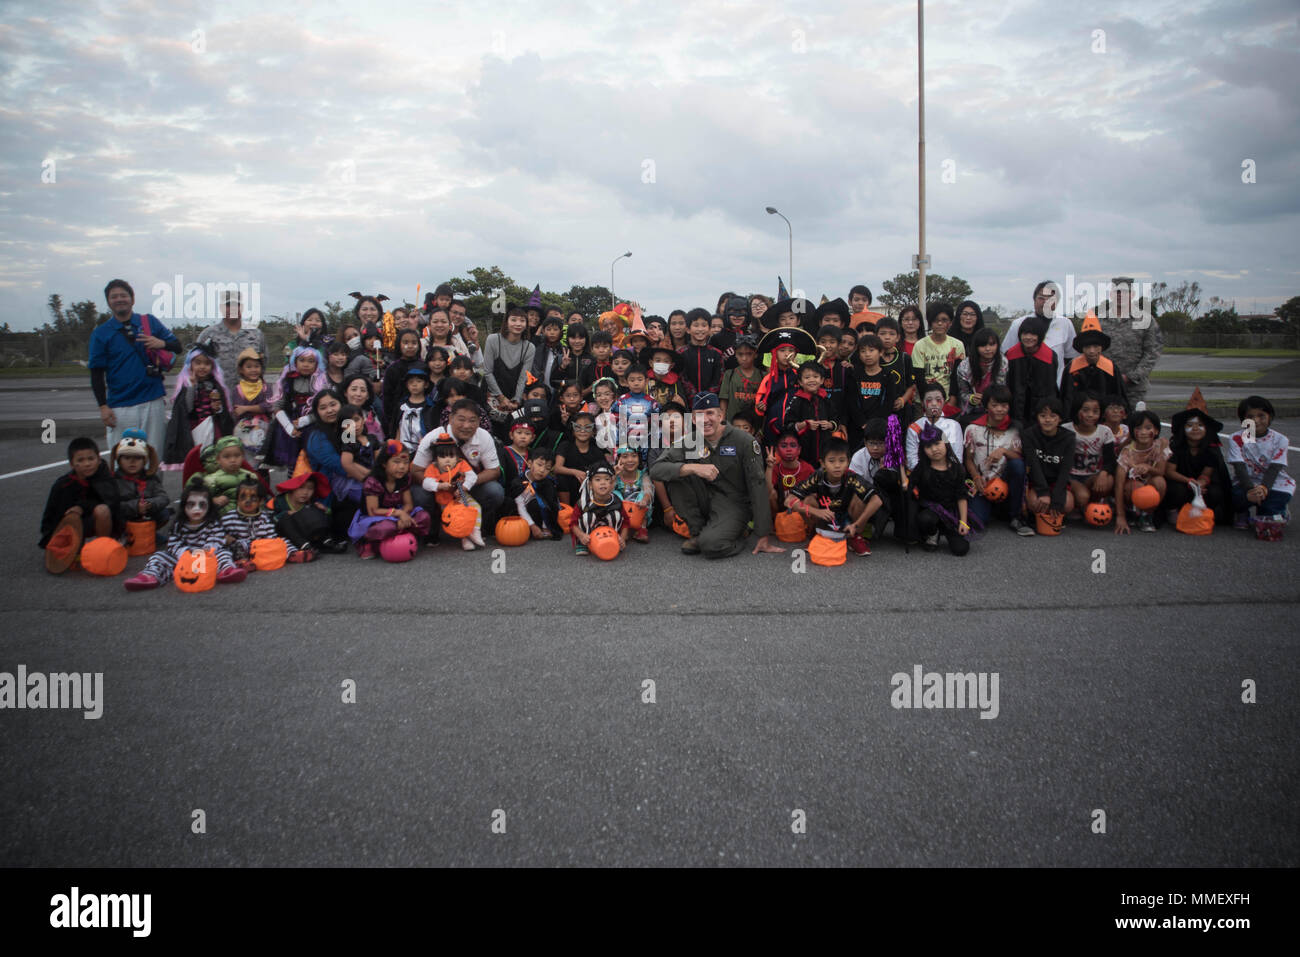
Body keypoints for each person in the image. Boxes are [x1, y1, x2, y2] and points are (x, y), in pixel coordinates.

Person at [649, 392, 781, 558]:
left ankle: (738, 534)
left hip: (733, 503)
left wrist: (763, 533)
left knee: (711, 546)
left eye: (710, 413)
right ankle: (696, 532)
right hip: (705, 498)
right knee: (677, 474)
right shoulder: (690, 440)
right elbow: (656, 469)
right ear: (693, 419)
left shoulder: (744, 441)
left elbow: (758, 485)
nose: (705, 419)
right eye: (699, 415)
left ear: (721, 415)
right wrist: (692, 468)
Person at [90, 278, 182, 452]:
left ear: (132, 299)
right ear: (109, 302)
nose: (119, 299)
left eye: (123, 295)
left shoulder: (149, 322)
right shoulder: (101, 333)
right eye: (114, 296)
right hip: (120, 405)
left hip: (152, 400)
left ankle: (154, 481)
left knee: (154, 455)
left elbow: (177, 346)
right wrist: (103, 406)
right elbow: (96, 373)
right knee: (123, 457)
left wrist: (160, 343)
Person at [123, 479, 246, 590]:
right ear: (184, 506)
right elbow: (173, 544)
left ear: (209, 506)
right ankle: (149, 576)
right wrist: (186, 554)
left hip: (206, 559)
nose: (196, 509)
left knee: (223, 553)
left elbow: (216, 541)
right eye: (191, 505)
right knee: (159, 556)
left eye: (202, 505)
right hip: (183, 560)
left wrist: (203, 553)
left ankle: (226, 571)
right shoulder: (179, 525)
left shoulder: (213, 523)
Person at [411, 399, 506, 536]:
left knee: (494, 491)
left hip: (467, 486)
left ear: (479, 421)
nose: (466, 426)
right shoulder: (433, 437)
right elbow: (415, 471)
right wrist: (438, 485)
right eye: (461, 420)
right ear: (450, 418)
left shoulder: (484, 437)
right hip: (438, 489)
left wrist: (467, 483)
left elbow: (494, 470)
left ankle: (473, 525)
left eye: (472, 420)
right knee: (419, 494)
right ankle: (432, 527)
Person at [783, 438, 873, 555]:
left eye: (841, 461)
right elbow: (788, 501)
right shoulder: (817, 476)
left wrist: (858, 524)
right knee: (808, 500)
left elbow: (876, 499)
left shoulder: (852, 477)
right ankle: (816, 533)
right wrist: (815, 511)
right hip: (824, 515)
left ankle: (854, 537)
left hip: (848, 518)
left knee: (862, 497)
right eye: (831, 461)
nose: (837, 465)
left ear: (848, 462)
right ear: (823, 463)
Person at [39, 437, 120, 564]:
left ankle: (102, 548)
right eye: (80, 460)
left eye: (91, 459)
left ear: (98, 460)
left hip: (98, 520)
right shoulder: (63, 485)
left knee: (102, 510)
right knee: (71, 515)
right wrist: (50, 540)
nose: (87, 464)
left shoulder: (105, 477)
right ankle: (76, 548)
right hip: (73, 526)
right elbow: (51, 515)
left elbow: (112, 502)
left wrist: (82, 507)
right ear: (72, 463)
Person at [963, 386, 1032, 536]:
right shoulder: (973, 428)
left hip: (1005, 481)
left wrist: (1005, 452)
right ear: (986, 406)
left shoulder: (1015, 428)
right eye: (995, 405)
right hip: (983, 482)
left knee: (1017, 465)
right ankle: (993, 510)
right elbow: (968, 460)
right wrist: (975, 477)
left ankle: (1016, 516)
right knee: (978, 521)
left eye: (1004, 405)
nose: (1000, 409)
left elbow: (1022, 459)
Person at [349, 439, 433, 558]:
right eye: (396, 462)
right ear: (384, 463)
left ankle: (400, 532)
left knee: (423, 517)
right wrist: (398, 513)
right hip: (375, 518)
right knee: (386, 527)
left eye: (405, 463)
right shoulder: (373, 481)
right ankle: (368, 543)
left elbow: (408, 504)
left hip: (397, 515)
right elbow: (373, 511)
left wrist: (404, 515)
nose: (402, 467)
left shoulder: (404, 478)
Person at [303, 389, 369, 537]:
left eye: (333, 404)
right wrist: (372, 479)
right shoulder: (317, 437)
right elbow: (342, 466)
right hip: (333, 494)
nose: (330, 410)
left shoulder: (346, 428)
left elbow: (359, 456)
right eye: (323, 408)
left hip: (355, 481)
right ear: (317, 413)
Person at [1164, 389, 1232, 526]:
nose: (1195, 428)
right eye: (1190, 425)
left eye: (1200, 425)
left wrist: (1201, 482)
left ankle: (1205, 512)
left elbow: (1207, 473)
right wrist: (1188, 481)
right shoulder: (1176, 447)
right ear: (1183, 429)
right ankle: (1173, 510)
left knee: (1215, 492)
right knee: (1176, 491)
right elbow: (1169, 472)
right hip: (1180, 483)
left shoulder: (1211, 451)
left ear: (1207, 429)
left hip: (1197, 486)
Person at [1226, 395, 1293, 530]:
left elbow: (1274, 469)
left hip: (1274, 482)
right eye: (1250, 417)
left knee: (1269, 510)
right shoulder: (1236, 438)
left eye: (1261, 416)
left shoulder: (1280, 440)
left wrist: (1263, 489)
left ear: (1270, 417)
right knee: (1234, 496)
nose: (1255, 421)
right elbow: (1239, 467)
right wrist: (1251, 490)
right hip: (1246, 481)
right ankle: (1242, 512)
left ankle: (1280, 510)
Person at [162, 342, 234, 468]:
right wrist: (192, 387)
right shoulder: (187, 386)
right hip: (194, 427)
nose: (202, 367)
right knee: (196, 460)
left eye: (207, 363)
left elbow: (222, 413)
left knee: (213, 460)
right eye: (198, 363)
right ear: (191, 365)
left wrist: (218, 408)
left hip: (213, 428)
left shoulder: (216, 385)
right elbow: (187, 409)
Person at [1095, 277, 1163, 407]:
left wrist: (1132, 377)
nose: (1120, 295)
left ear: (1132, 294)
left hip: (1134, 389)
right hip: (1106, 385)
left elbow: (1152, 353)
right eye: (1117, 291)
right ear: (1111, 294)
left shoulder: (1146, 320)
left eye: (1125, 292)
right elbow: (1093, 351)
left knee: (1134, 424)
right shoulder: (1100, 320)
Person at [911, 422, 977, 555]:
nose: (934, 449)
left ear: (945, 443)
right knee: (925, 519)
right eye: (929, 446)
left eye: (937, 443)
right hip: (930, 510)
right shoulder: (922, 468)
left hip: (951, 513)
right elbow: (909, 485)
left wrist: (963, 522)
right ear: (923, 450)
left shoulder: (957, 468)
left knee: (961, 550)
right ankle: (932, 533)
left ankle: (949, 531)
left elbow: (961, 496)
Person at [1000, 281, 1079, 389]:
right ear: (1034, 300)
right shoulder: (1018, 324)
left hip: (1054, 388)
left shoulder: (1065, 324)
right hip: (1022, 390)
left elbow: (1071, 357)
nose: (1045, 302)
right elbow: (1005, 356)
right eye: (1041, 298)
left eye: (1050, 299)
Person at [220, 477, 311, 568]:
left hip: (261, 548)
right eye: (243, 497)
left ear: (261, 501)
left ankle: (293, 554)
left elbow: (271, 536)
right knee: (234, 547)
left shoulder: (264, 517)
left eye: (253, 497)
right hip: (242, 549)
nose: (247, 501)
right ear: (237, 500)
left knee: (281, 540)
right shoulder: (229, 517)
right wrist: (226, 537)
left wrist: (272, 544)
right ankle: (241, 563)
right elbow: (219, 535)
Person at [420, 433, 486, 550]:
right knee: (458, 519)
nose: (447, 460)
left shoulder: (461, 464)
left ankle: (475, 531)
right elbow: (426, 483)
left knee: (475, 508)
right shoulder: (433, 468)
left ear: (457, 456)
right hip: (445, 500)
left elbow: (472, 476)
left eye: (451, 456)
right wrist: (439, 485)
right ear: (436, 458)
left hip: (461, 495)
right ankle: (465, 539)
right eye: (443, 457)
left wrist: (465, 487)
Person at [1022, 397, 1077, 532]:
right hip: (1037, 480)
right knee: (1036, 503)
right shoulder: (1029, 434)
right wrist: (1043, 492)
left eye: (1053, 416)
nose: (1047, 420)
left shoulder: (1069, 438)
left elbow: (1065, 470)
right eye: (1043, 416)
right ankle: (1035, 518)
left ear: (1060, 419)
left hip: (1057, 480)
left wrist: (1057, 498)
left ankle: (1055, 516)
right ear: (1037, 417)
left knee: (1067, 504)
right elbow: (1033, 465)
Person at [197, 291, 268, 391]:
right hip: (217, 397)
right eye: (228, 305)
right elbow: (195, 364)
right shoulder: (208, 335)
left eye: (236, 305)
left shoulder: (256, 334)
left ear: (241, 307)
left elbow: (263, 363)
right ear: (221, 308)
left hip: (249, 398)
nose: (232, 309)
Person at [1115, 409, 1169, 534]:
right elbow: (1119, 484)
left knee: (1160, 481)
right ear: (1133, 431)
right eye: (1139, 428)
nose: (1143, 432)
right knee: (1136, 486)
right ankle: (1130, 512)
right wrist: (1120, 516)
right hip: (1131, 489)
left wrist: (1149, 468)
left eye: (1148, 428)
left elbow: (1161, 471)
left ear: (1156, 431)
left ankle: (1147, 514)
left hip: (1150, 485)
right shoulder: (1127, 452)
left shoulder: (1159, 446)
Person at [1061, 314, 1128, 413]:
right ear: (1082, 348)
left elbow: (1119, 398)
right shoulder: (1071, 369)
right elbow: (1065, 400)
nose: (1092, 351)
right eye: (1087, 347)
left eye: (1096, 346)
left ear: (1102, 347)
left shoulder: (1111, 368)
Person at [1062, 393, 1117, 514]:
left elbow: (1110, 460)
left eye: (1095, 411)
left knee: (1108, 480)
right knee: (1082, 497)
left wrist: (1103, 474)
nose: (1090, 415)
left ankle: (1095, 503)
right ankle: (1079, 505)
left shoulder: (1105, 432)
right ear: (1077, 410)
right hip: (1071, 476)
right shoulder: (1065, 429)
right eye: (1085, 410)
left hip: (1092, 475)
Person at [270, 470, 348, 554]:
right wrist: (284, 514)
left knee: (319, 511)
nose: (305, 492)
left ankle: (327, 542)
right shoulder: (279, 501)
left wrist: (325, 510)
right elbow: (270, 521)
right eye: (301, 487)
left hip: (308, 534)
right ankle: (305, 547)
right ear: (292, 487)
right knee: (285, 519)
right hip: (287, 536)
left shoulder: (311, 501)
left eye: (310, 489)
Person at [483, 305, 536, 427]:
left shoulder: (529, 347)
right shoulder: (493, 340)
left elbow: (524, 377)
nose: (518, 324)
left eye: (522, 321)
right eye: (513, 320)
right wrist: (501, 398)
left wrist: (516, 400)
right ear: (506, 322)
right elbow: (487, 372)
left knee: (512, 430)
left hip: (513, 397)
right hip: (491, 394)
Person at [111, 428, 170, 537]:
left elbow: (164, 497)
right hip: (126, 516)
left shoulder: (151, 478)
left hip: (146, 513)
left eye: (137, 458)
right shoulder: (115, 480)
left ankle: (148, 533)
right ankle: (124, 535)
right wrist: (135, 506)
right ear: (119, 461)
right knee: (113, 515)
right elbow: (112, 504)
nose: (132, 462)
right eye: (127, 458)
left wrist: (148, 504)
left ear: (144, 461)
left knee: (164, 513)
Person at [1005, 317, 1060, 425]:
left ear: (1040, 336)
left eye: (1033, 334)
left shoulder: (1049, 357)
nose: (1028, 338)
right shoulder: (1010, 355)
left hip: (1041, 414)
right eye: (1025, 334)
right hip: (1016, 412)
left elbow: (1051, 388)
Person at [911, 302, 966, 404]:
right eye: (936, 320)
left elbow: (957, 376)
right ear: (930, 322)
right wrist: (927, 400)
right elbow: (919, 377)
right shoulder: (920, 345)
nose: (940, 324)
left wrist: (952, 399)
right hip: (924, 401)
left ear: (950, 322)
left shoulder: (957, 345)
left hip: (948, 401)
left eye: (944, 320)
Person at [230, 348, 273, 474]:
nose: (253, 370)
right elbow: (238, 410)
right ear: (241, 370)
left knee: (263, 462)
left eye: (256, 366)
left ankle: (264, 490)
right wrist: (257, 408)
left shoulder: (266, 387)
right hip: (244, 431)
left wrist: (246, 408)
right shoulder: (237, 389)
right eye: (249, 367)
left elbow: (268, 406)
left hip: (264, 429)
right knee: (248, 462)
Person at [571, 463, 628, 556]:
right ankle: (584, 544)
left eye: (607, 479)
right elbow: (573, 523)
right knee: (587, 516)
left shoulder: (616, 501)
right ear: (590, 484)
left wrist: (622, 538)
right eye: (598, 479)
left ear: (611, 483)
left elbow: (626, 522)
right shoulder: (584, 502)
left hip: (608, 531)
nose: (603, 482)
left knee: (616, 515)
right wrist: (581, 536)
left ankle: (613, 541)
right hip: (589, 532)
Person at [952, 328, 1006, 426]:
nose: (988, 349)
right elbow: (963, 393)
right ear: (976, 347)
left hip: (996, 409)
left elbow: (1001, 390)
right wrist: (972, 398)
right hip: (972, 412)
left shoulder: (1003, 363)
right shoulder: (964, 367)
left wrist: (988, 399)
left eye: (992, 344)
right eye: (983, 345)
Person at [905, 383, 963, 469]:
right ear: (922, 402)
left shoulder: (954, 425)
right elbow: (912, 461)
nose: (934, 404)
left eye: (938, 399)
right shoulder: (914, 428)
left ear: (944, 401)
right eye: (929, 400)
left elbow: (957, 458)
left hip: (949, 475)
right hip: (923, 476)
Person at [508, 450, 563, 539]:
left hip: (540, 515)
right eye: (539, 465)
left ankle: (544, 528)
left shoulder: (548, 484)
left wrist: (546, 527)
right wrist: (532, 526)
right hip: (521, 515)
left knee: (541, 503)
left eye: (547, 468)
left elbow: (551, 506)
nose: (542, 470)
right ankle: (531, 530)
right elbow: (520, 507)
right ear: (530, 463)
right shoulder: (519, 482)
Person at [380, 329, 425, 437]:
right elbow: (387, 397)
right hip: (399, 415)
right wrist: (391, 420)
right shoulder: (392, 369)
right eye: (405, 342)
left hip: (421, 413)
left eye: (414, 343)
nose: (410, 346)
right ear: (399, 344)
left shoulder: (424, 366)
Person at [201, 436, 258, 513]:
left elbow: (260, 497)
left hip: (249, 515)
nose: (233, 460)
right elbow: (201, 499)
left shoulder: (251, 476)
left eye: (237, 455)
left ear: (243, 457)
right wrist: (214, 500)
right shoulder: (211, 480)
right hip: (223, 518)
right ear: (218, 459)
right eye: (226, 456)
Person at [613, 446, 654, 543]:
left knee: (643, 495)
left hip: (638, 510)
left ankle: (641, 529)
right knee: (614, 494)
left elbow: (648, 491)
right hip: (621, 511)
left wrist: (645, 499)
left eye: (634, 456)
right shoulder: (615, 474)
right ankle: (621, 529)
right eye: (625, 456)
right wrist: (614, 475)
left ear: (639, 458)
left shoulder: (642, 474)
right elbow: (606, 491)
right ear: (618, 459)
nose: (630, 460)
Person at [396, 367, 436, 454]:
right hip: (403, 450)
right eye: (411, 382)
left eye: (419, 381)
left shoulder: (431, 407)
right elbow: (398, 427)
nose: (414, 385)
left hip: (424, 450)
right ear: (407, 385)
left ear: (426, 384)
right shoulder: (402, 406)